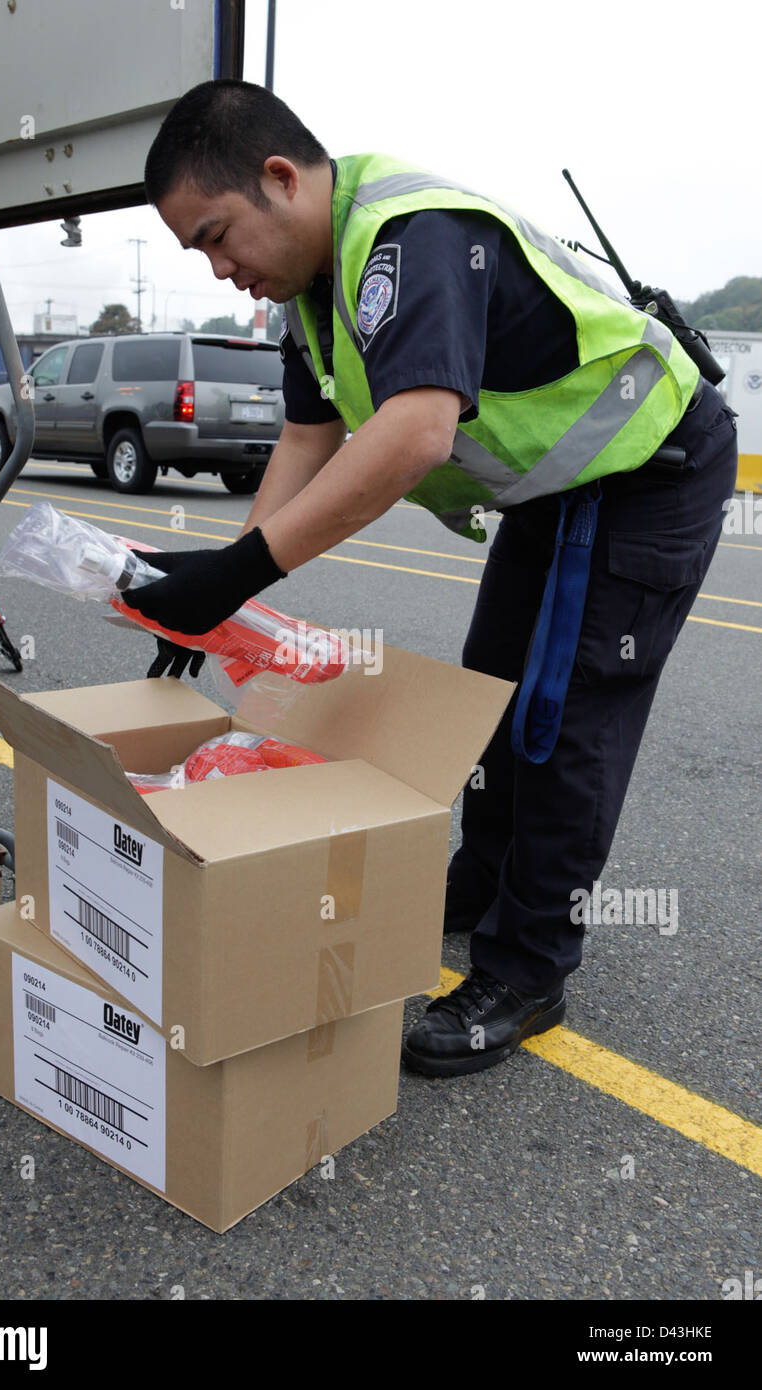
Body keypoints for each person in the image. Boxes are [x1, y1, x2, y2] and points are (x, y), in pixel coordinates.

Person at [128, 79, 738, 1078]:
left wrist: (238, 568)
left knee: (559, 713)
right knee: (491, 687)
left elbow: (413, 433)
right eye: (200, 250)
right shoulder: (310, 293)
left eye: (216, 234)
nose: (219, 267)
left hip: (646, 470)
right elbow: (306, 437)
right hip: (561, 486)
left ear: (280, 179)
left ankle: (528, 966)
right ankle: (485, 880)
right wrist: (223, 590)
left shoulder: (408, 241)